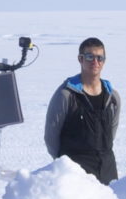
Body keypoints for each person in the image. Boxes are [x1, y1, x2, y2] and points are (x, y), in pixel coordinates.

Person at [44, 38, 120, 183]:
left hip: (107, 170)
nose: (95, 62)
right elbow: (51, 136)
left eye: (100, 58)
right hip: (76, 174)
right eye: (90, 57)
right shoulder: (66, 95)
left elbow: (112, 131)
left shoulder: (113, 96)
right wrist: (64, 165)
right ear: (80, 59)